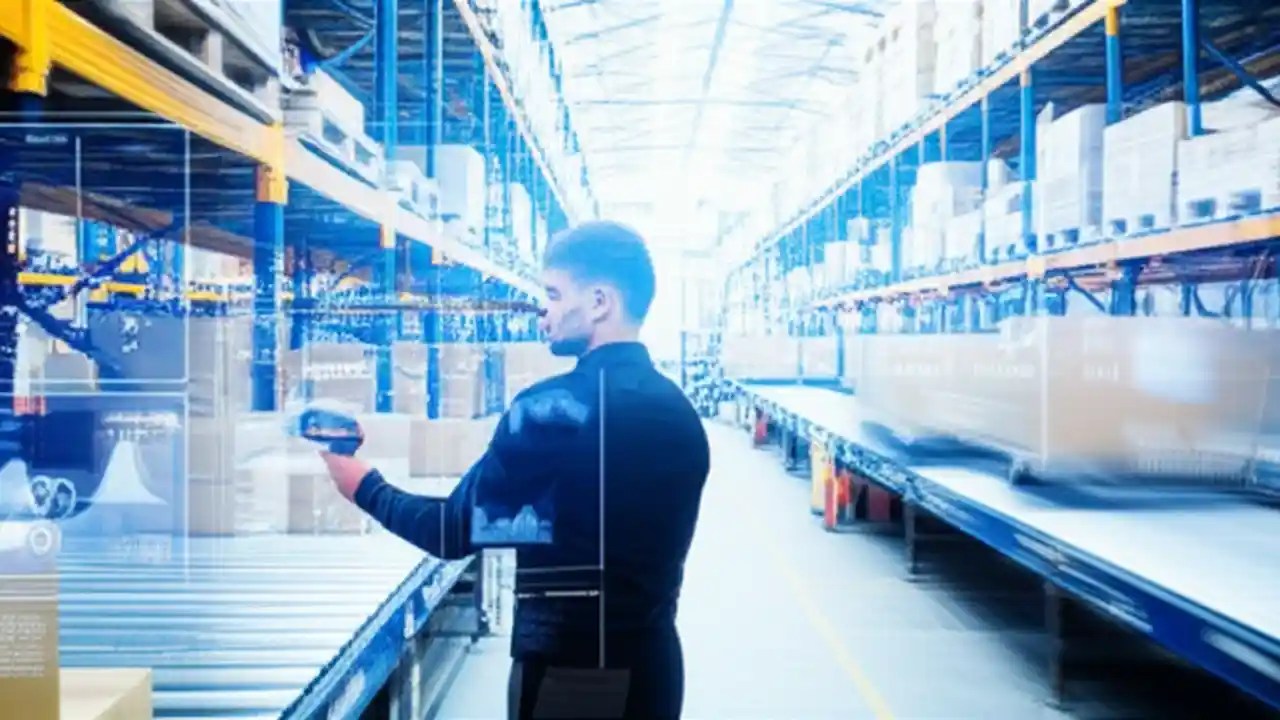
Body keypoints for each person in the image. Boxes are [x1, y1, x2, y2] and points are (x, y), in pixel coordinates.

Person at [320, 220, 711, 720]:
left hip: (569, 675)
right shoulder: (680, 414)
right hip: (654, 669)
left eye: (552, 295)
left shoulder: (549, 410)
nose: (542, 315)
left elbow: (451, 531)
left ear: (598, 303)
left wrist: (363, 486)